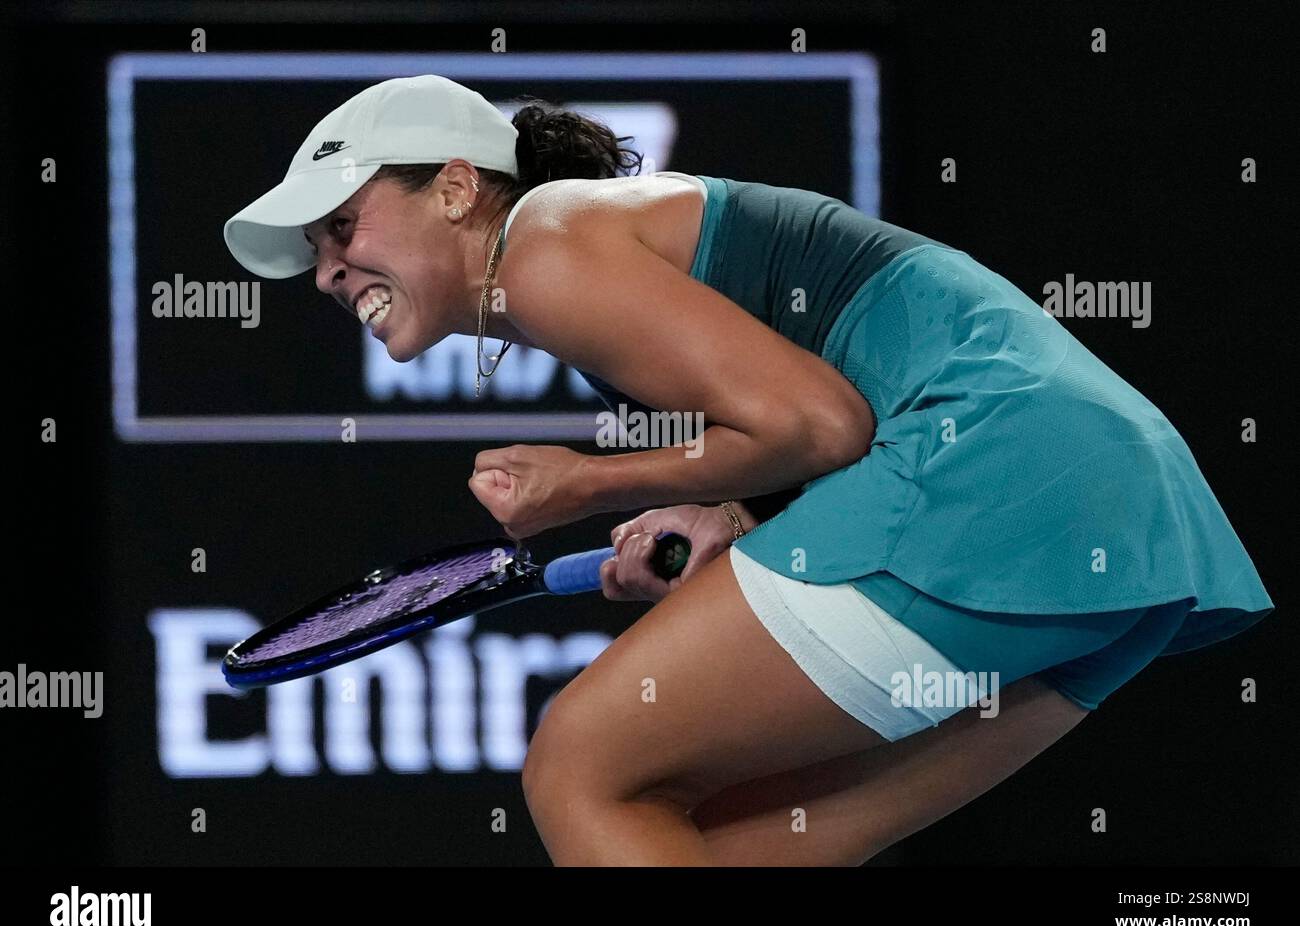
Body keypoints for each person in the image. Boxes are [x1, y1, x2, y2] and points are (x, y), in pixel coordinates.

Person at [224, 75, 1274, 866]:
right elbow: (818, 429)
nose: (326, 270)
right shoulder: (603, 274)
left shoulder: (542, 241)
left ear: (457, 189)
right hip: (1128, 517)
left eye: (343, 227)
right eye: (316, 252)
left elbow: (821, 424)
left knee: (579, 763)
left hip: (1000, 465)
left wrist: (585, 482)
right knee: (740, 835)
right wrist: (724, 512)